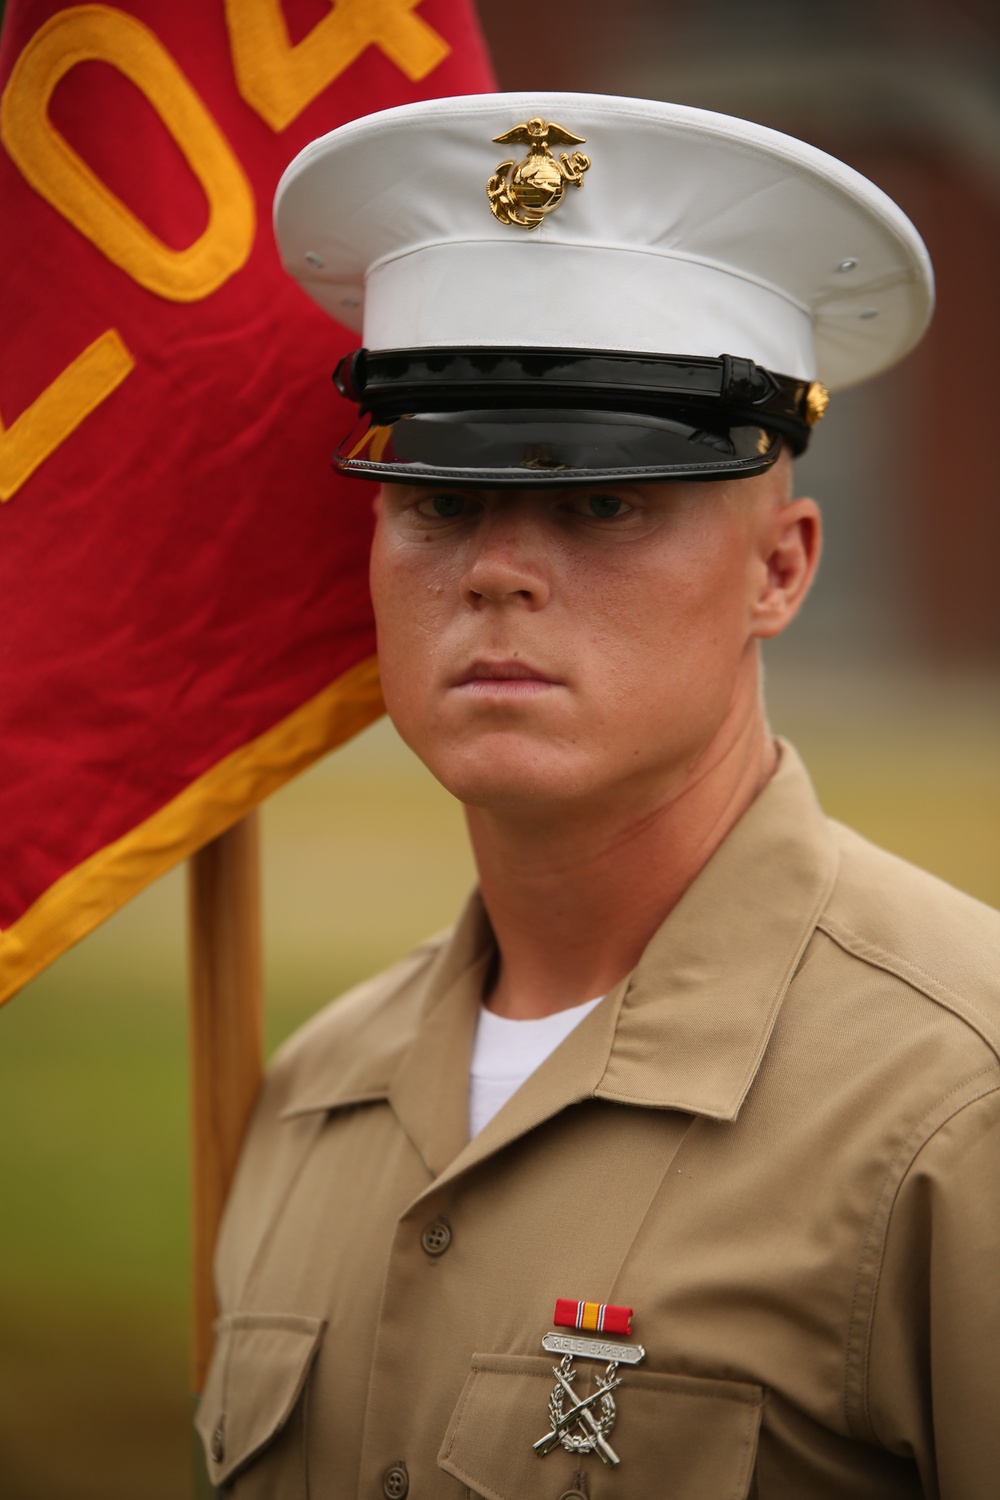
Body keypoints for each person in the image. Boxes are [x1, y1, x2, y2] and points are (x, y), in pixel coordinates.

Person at [196, 94, 1000, 1499]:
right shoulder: (312, 1094)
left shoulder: (956, 1104)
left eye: (602, 503)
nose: (497, 567)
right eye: (437, 499)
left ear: (780, 569)